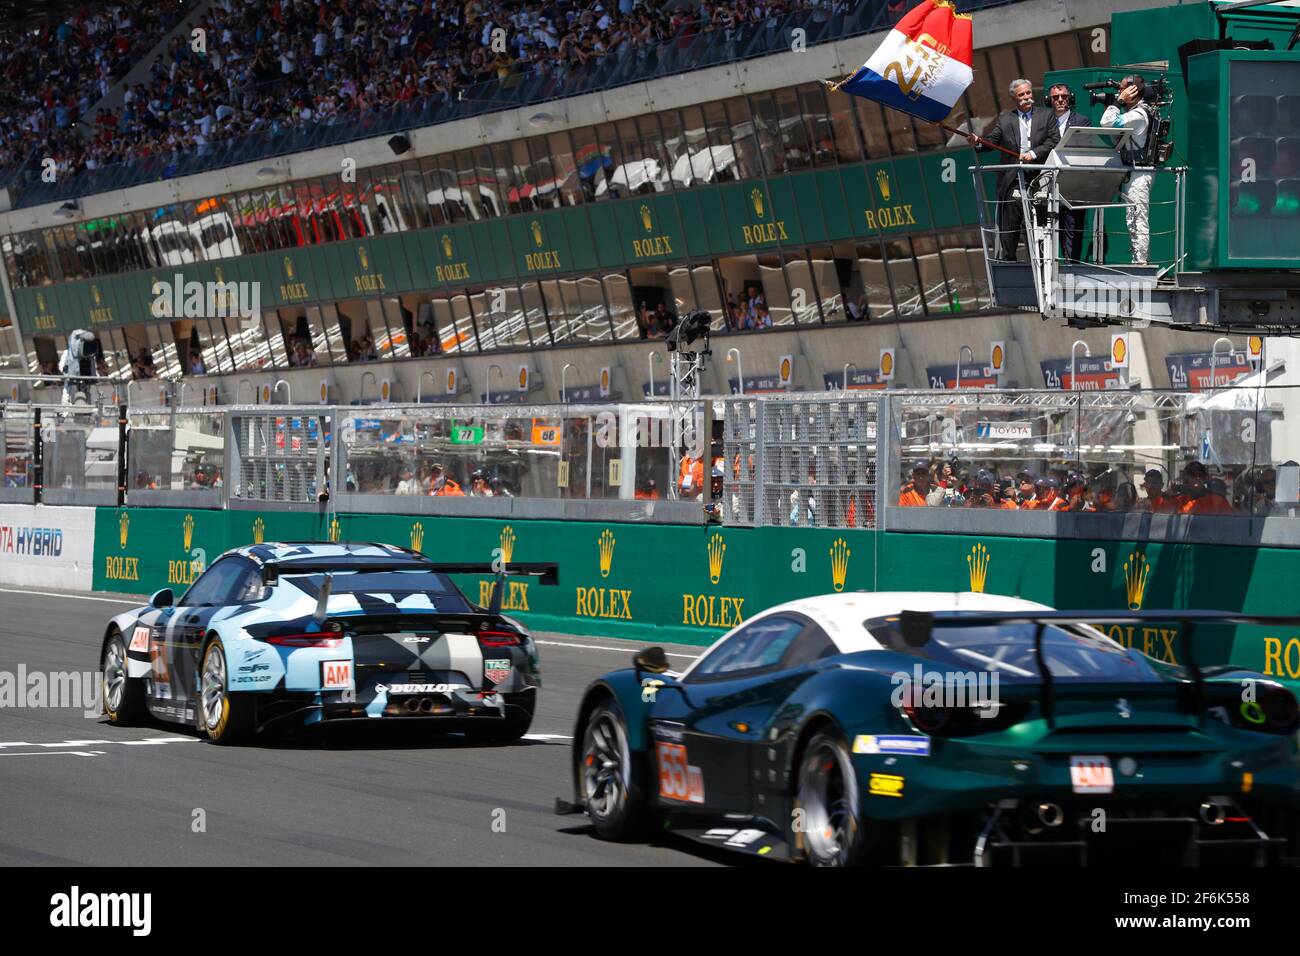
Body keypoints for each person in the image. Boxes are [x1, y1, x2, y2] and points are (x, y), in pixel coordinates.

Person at [967, 79, 1060, 261]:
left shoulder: (1046, 115)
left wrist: (1033, 154)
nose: (1026, 97)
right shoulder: (1005, 119)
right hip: (1013, 179)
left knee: (1039, 224)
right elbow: (992, 141)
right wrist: (978, 142)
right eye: (1021, 95)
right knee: (1010, 225)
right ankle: (1010, 260)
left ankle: (1041, 261)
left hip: (1040, 177)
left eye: (1028, 93)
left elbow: (1054, 140)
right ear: (1014, 98)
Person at [1101, 75, 1158, 265]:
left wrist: (1118, 102)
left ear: (1133, 91)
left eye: (1123, 89)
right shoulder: (1135, 111)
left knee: (1138, 216)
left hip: (1140, 172)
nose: (1120, 92)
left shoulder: (1138, 114)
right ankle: (1140, 259)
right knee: (1132, 216)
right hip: (1135, 170)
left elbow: (1106, 122)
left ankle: (1140, 262)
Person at [1047, 83, 1090, 261]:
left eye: (1064, 96)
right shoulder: (1044, 121)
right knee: (1050, 227)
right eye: (1055, 97)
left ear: (1070, 98)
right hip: (1049, 182)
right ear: (1049, 100)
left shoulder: (1082, 121)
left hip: (1074, 183)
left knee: (1073, 226)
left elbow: (1084, 149)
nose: (1060, 100)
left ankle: (1072, 266)